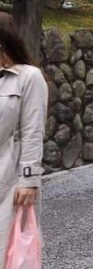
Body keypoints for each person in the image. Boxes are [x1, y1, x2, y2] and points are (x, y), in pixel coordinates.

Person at [0, 14, 47, 264]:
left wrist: (29, 179)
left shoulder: (29, 77)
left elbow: (33, 130)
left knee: (9, 252)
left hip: (8, 179)